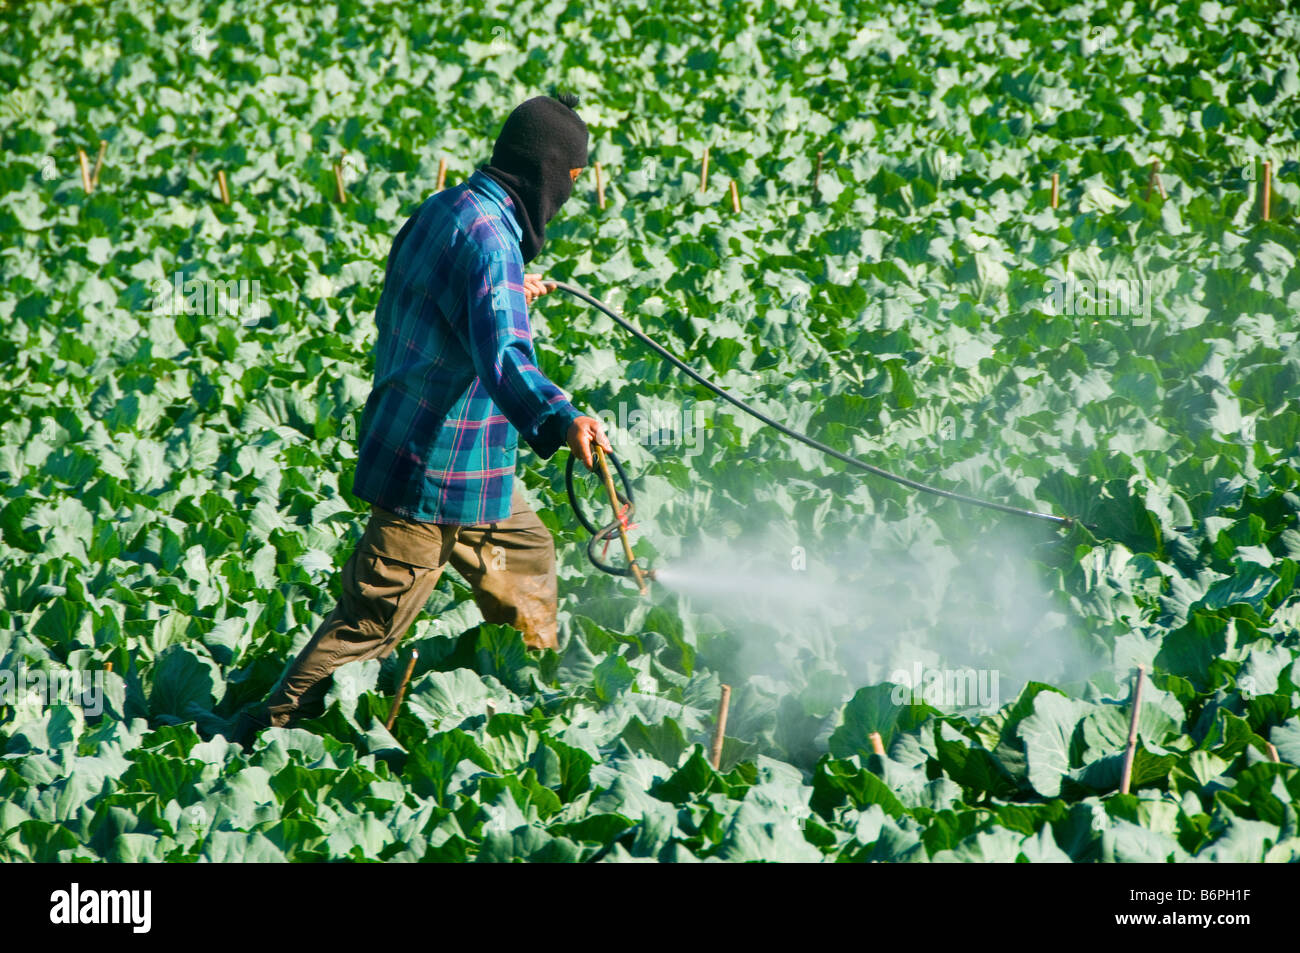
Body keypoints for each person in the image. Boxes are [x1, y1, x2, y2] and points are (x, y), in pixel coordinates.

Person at [239, 93, 610, 738]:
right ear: (547, 170)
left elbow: (440, 294)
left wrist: (505, 289)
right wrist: (560, 419)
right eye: (573, 177)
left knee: (526, 552)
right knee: (371, 624)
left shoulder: (449, 210)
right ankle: (263, 729)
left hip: (466, 459)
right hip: (430, 466)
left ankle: (530, 699)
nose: (573, 190)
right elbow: (504, 356)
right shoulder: (494, 247)